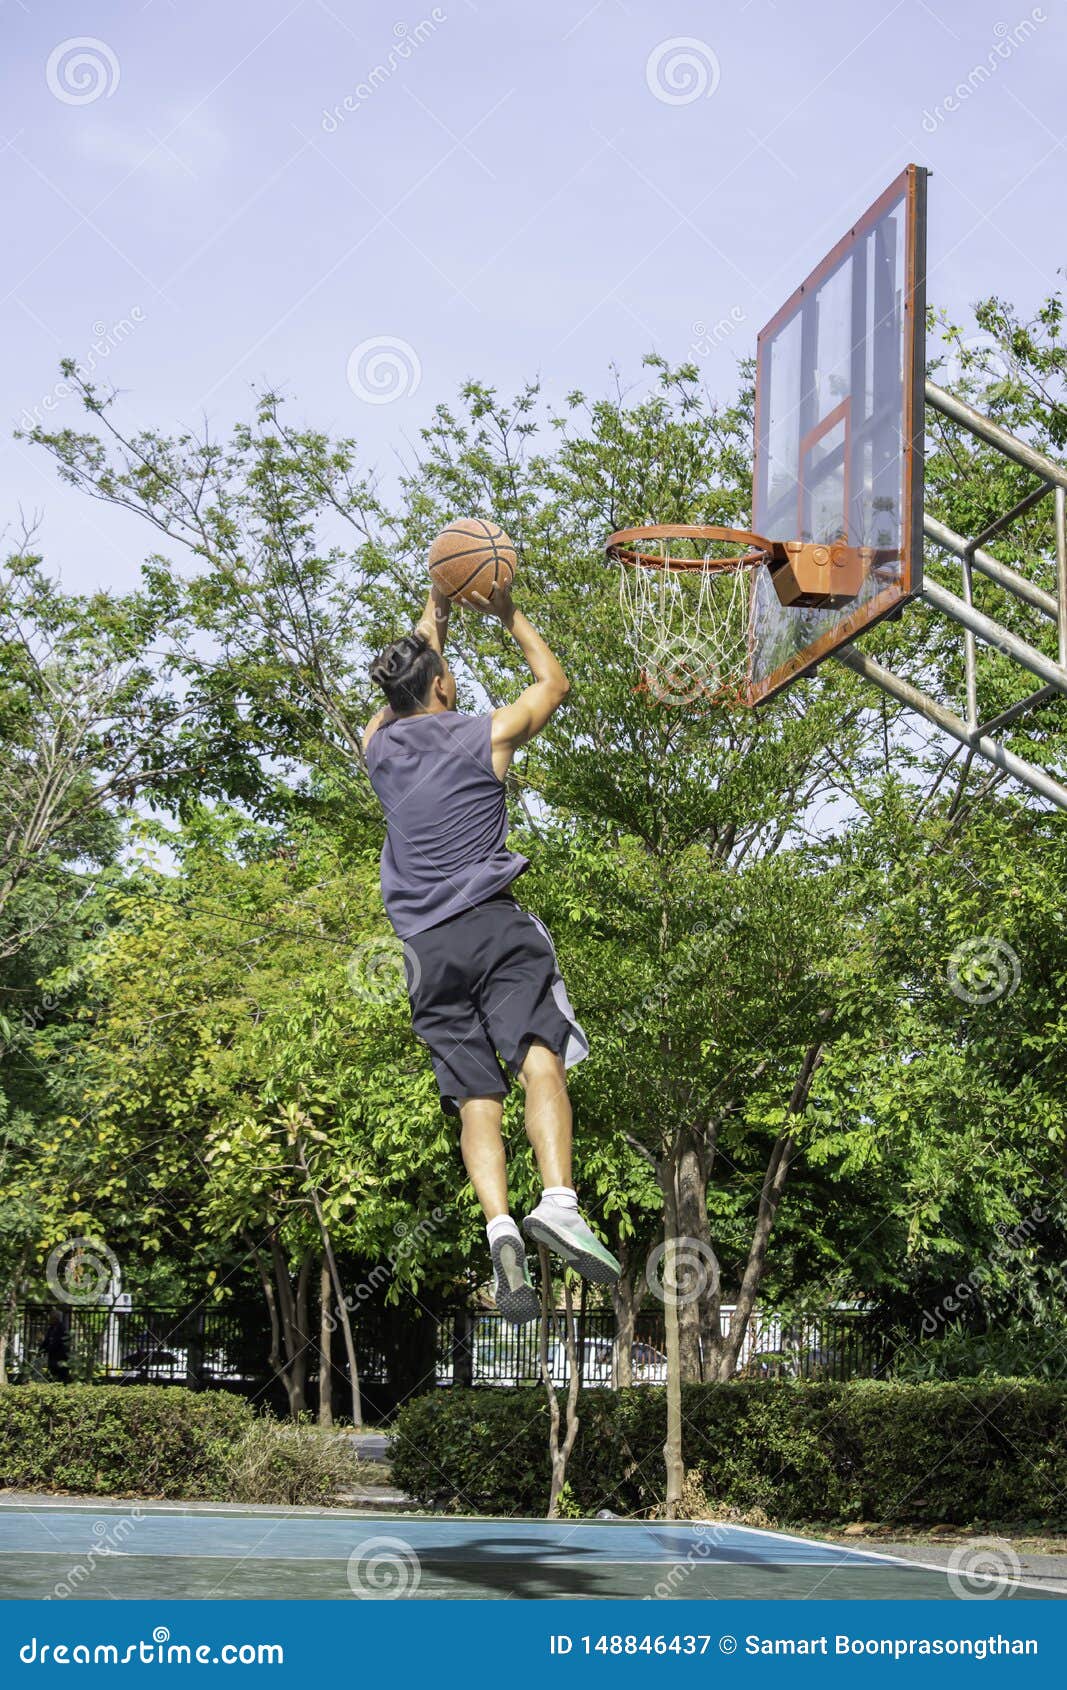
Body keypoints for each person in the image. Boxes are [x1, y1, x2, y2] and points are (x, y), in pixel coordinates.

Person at [363, 576, 620, 1324]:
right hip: (494, 930)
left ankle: (500, 1229)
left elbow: (408, 682)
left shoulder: (377, 747)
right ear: (443, 685)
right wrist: (508, 613)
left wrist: (434, 611)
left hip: (424, 950)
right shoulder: (486, 733)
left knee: (477, 1096)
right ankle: (559, 1204)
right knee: (540, 1057)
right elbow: (554, 684)